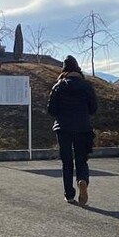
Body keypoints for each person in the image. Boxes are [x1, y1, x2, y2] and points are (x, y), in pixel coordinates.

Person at [47, 54, 98, 206]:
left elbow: (51, 110)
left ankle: (69, 194)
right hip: (83, 127)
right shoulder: (87, 86)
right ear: (77, 69)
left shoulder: (58, 86)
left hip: (63, 128)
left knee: (67, 161)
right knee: (81, 160)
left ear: (64, 70)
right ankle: (82, 180)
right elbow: (93, 109)